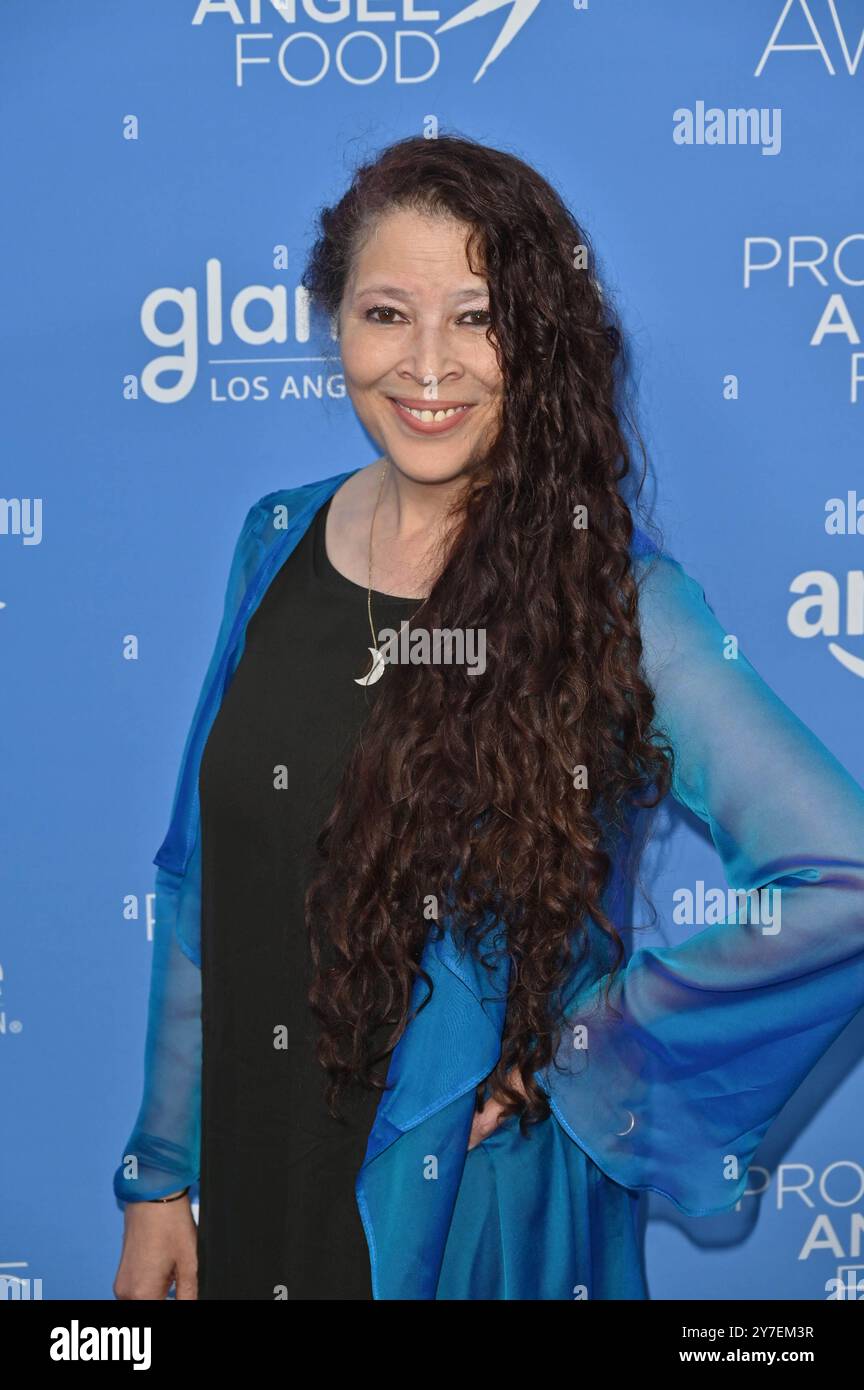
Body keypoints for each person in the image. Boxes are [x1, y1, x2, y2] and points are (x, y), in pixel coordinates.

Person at [112, 134, 864, 1301]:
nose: (427, 364)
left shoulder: (615, 597)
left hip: (460, 1214)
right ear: (336, 327)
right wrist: (161, 1176)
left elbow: (844, 877)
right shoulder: (272, 541)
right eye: (385, 313)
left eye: (477, 314)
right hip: (258, 1178)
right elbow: (200, 880)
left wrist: (582, 1054)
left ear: (538, 338)